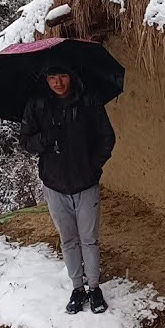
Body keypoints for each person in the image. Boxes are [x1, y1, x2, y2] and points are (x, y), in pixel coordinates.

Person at [19, 63, 116, 314]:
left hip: (85, 183)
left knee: (89, 239)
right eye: (52, 77)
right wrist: (45, 138)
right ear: (47, 80)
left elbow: (107, 137)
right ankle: (77, 288)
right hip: (55, 184)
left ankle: (94, 288)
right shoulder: (38, 105)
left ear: (71, 76)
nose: (58, 82)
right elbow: (26, 141)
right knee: (68, 239)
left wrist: (93, 166)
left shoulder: (88, 102)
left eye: (62, 76)